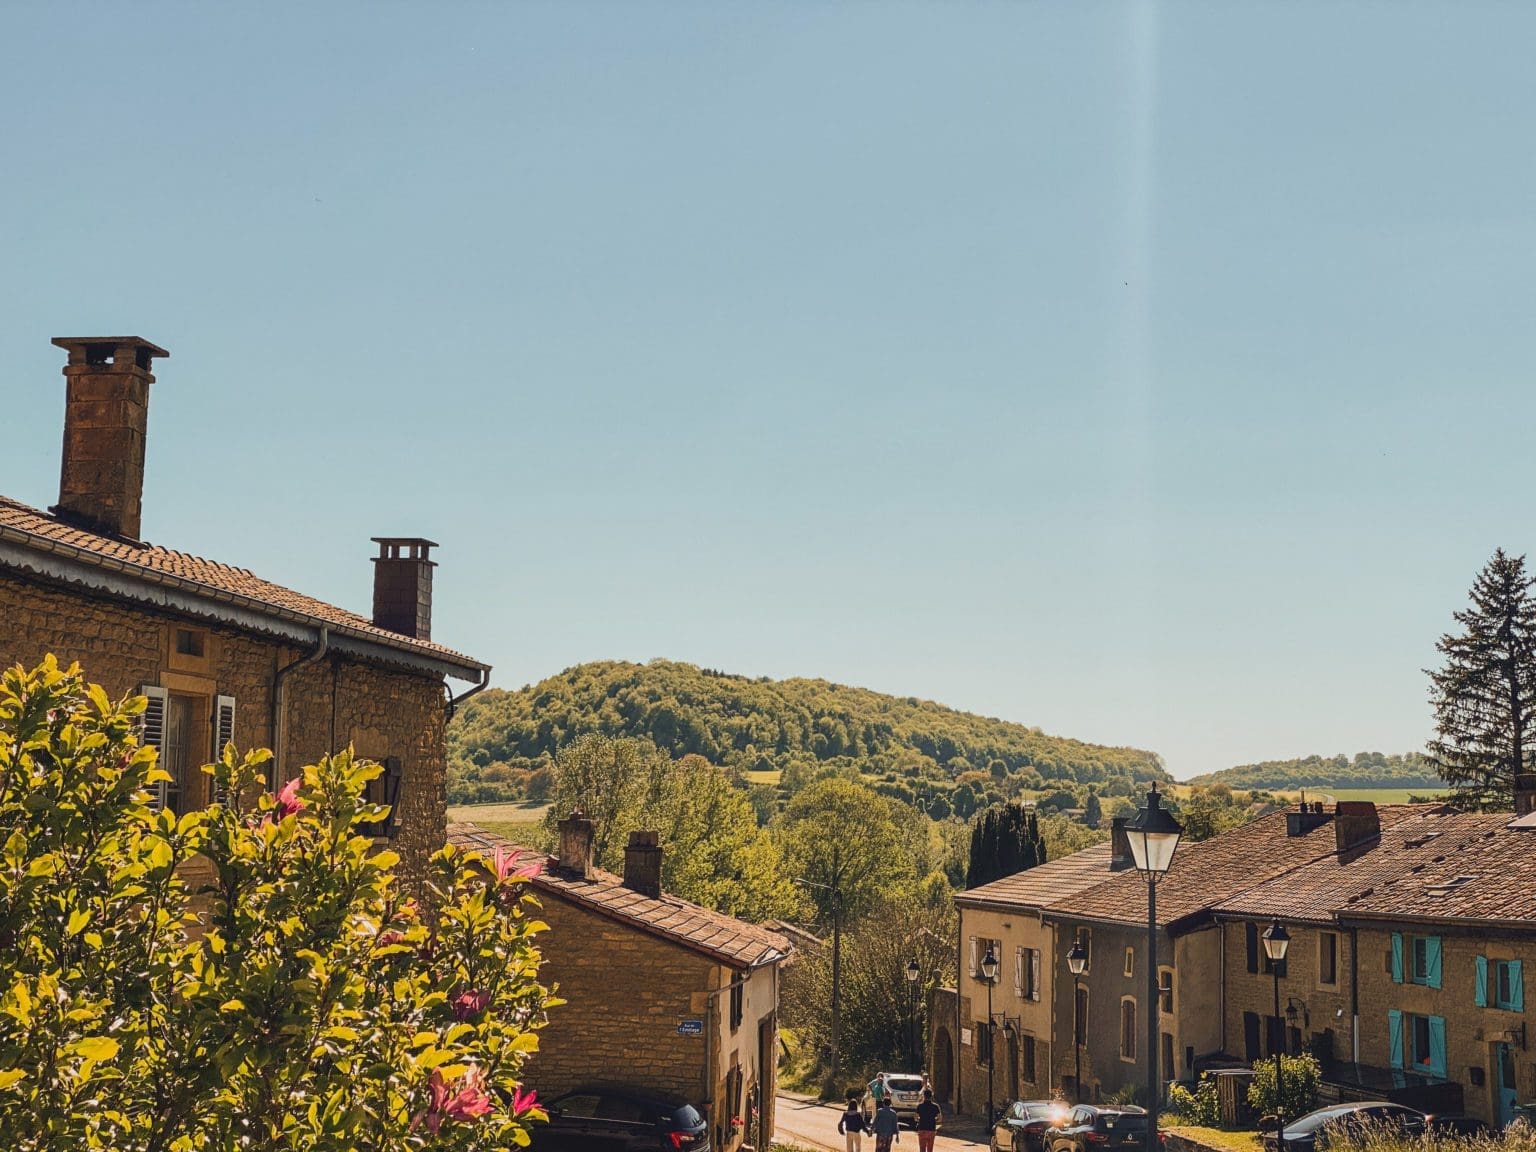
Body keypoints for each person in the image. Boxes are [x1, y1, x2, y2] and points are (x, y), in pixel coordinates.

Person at [914, 1088, 941, 1152]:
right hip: (931, 1129)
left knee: (922, 1149)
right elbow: (939, 1118)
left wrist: (920, 1120)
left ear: (923, 1095)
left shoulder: (920, 1106)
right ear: (931, 1096)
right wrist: (934, 1121)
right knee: (930, 1149)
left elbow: (916, 1118)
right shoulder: (936, 1106)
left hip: (922, 1128)